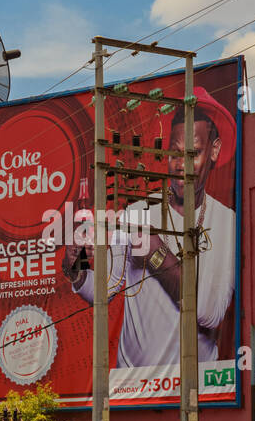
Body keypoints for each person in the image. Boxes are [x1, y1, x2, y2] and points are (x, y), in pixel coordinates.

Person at [64, 89, 236, 369]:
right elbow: (106, 286)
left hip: (198, 387)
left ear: (214, 150)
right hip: (134, 385)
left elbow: (209, 312)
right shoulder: (136, 212)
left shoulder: (227, 222)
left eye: (193, 153)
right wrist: (78, 270)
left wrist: (157, 254)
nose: (181, 166)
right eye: (174, 154)